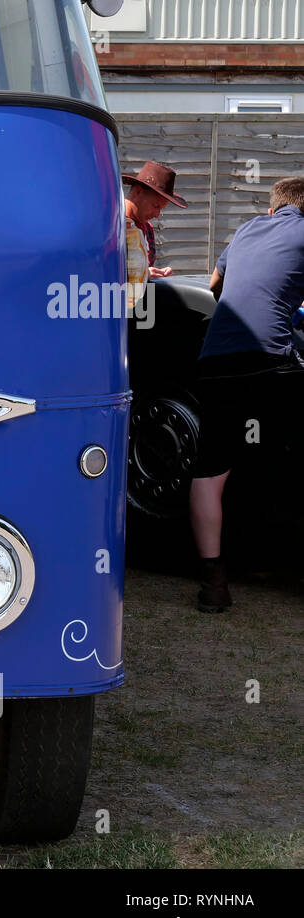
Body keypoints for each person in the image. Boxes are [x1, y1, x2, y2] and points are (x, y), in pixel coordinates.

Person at [189, 176, 304, 612]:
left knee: (210, 471)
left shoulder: (243, 231)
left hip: (215, 362)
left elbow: (216, 288)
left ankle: (213, 584)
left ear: (273, 209)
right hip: (269, 361)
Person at [122, 161, 187, 279]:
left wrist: (159, 275)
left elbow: (147, 274)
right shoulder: (112, 225)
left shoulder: (147, 229)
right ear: (138, 192)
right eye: (156, 206)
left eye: (161, 209)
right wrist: (142, 275)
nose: (157, 215)